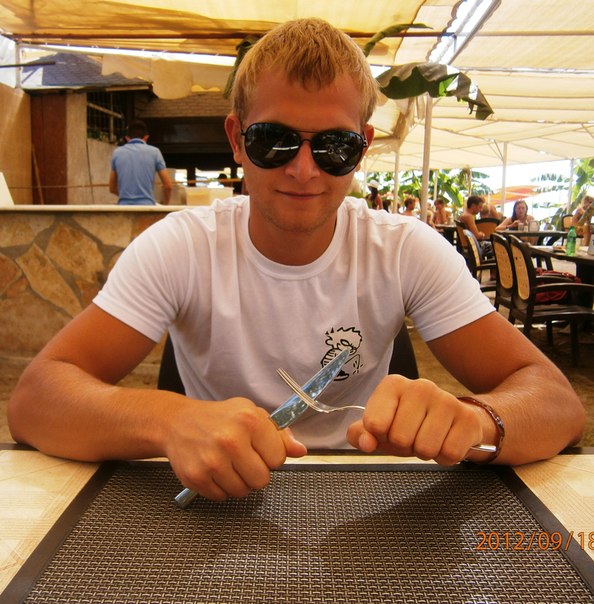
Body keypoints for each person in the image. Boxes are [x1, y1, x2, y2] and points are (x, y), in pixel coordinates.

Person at [8, 18, 584, 503]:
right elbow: (36, 401)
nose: (304, 170)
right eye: (273, 141)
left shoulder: (404, 248)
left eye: (335, 147)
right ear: (238, 140)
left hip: (364, 497)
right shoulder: (180, 247)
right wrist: (169, 420)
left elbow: (557, 403)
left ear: (361, 147)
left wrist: (476, 419)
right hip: (216, 503)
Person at [109, 120, 173, 206]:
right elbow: (168, 186)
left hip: (124, 207)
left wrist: (127, 197)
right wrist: (165, 205)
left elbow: (112, 188)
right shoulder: (155, 152)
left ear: (127, 138)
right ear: (146, 137)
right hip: (147, 207)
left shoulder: (117, 152)